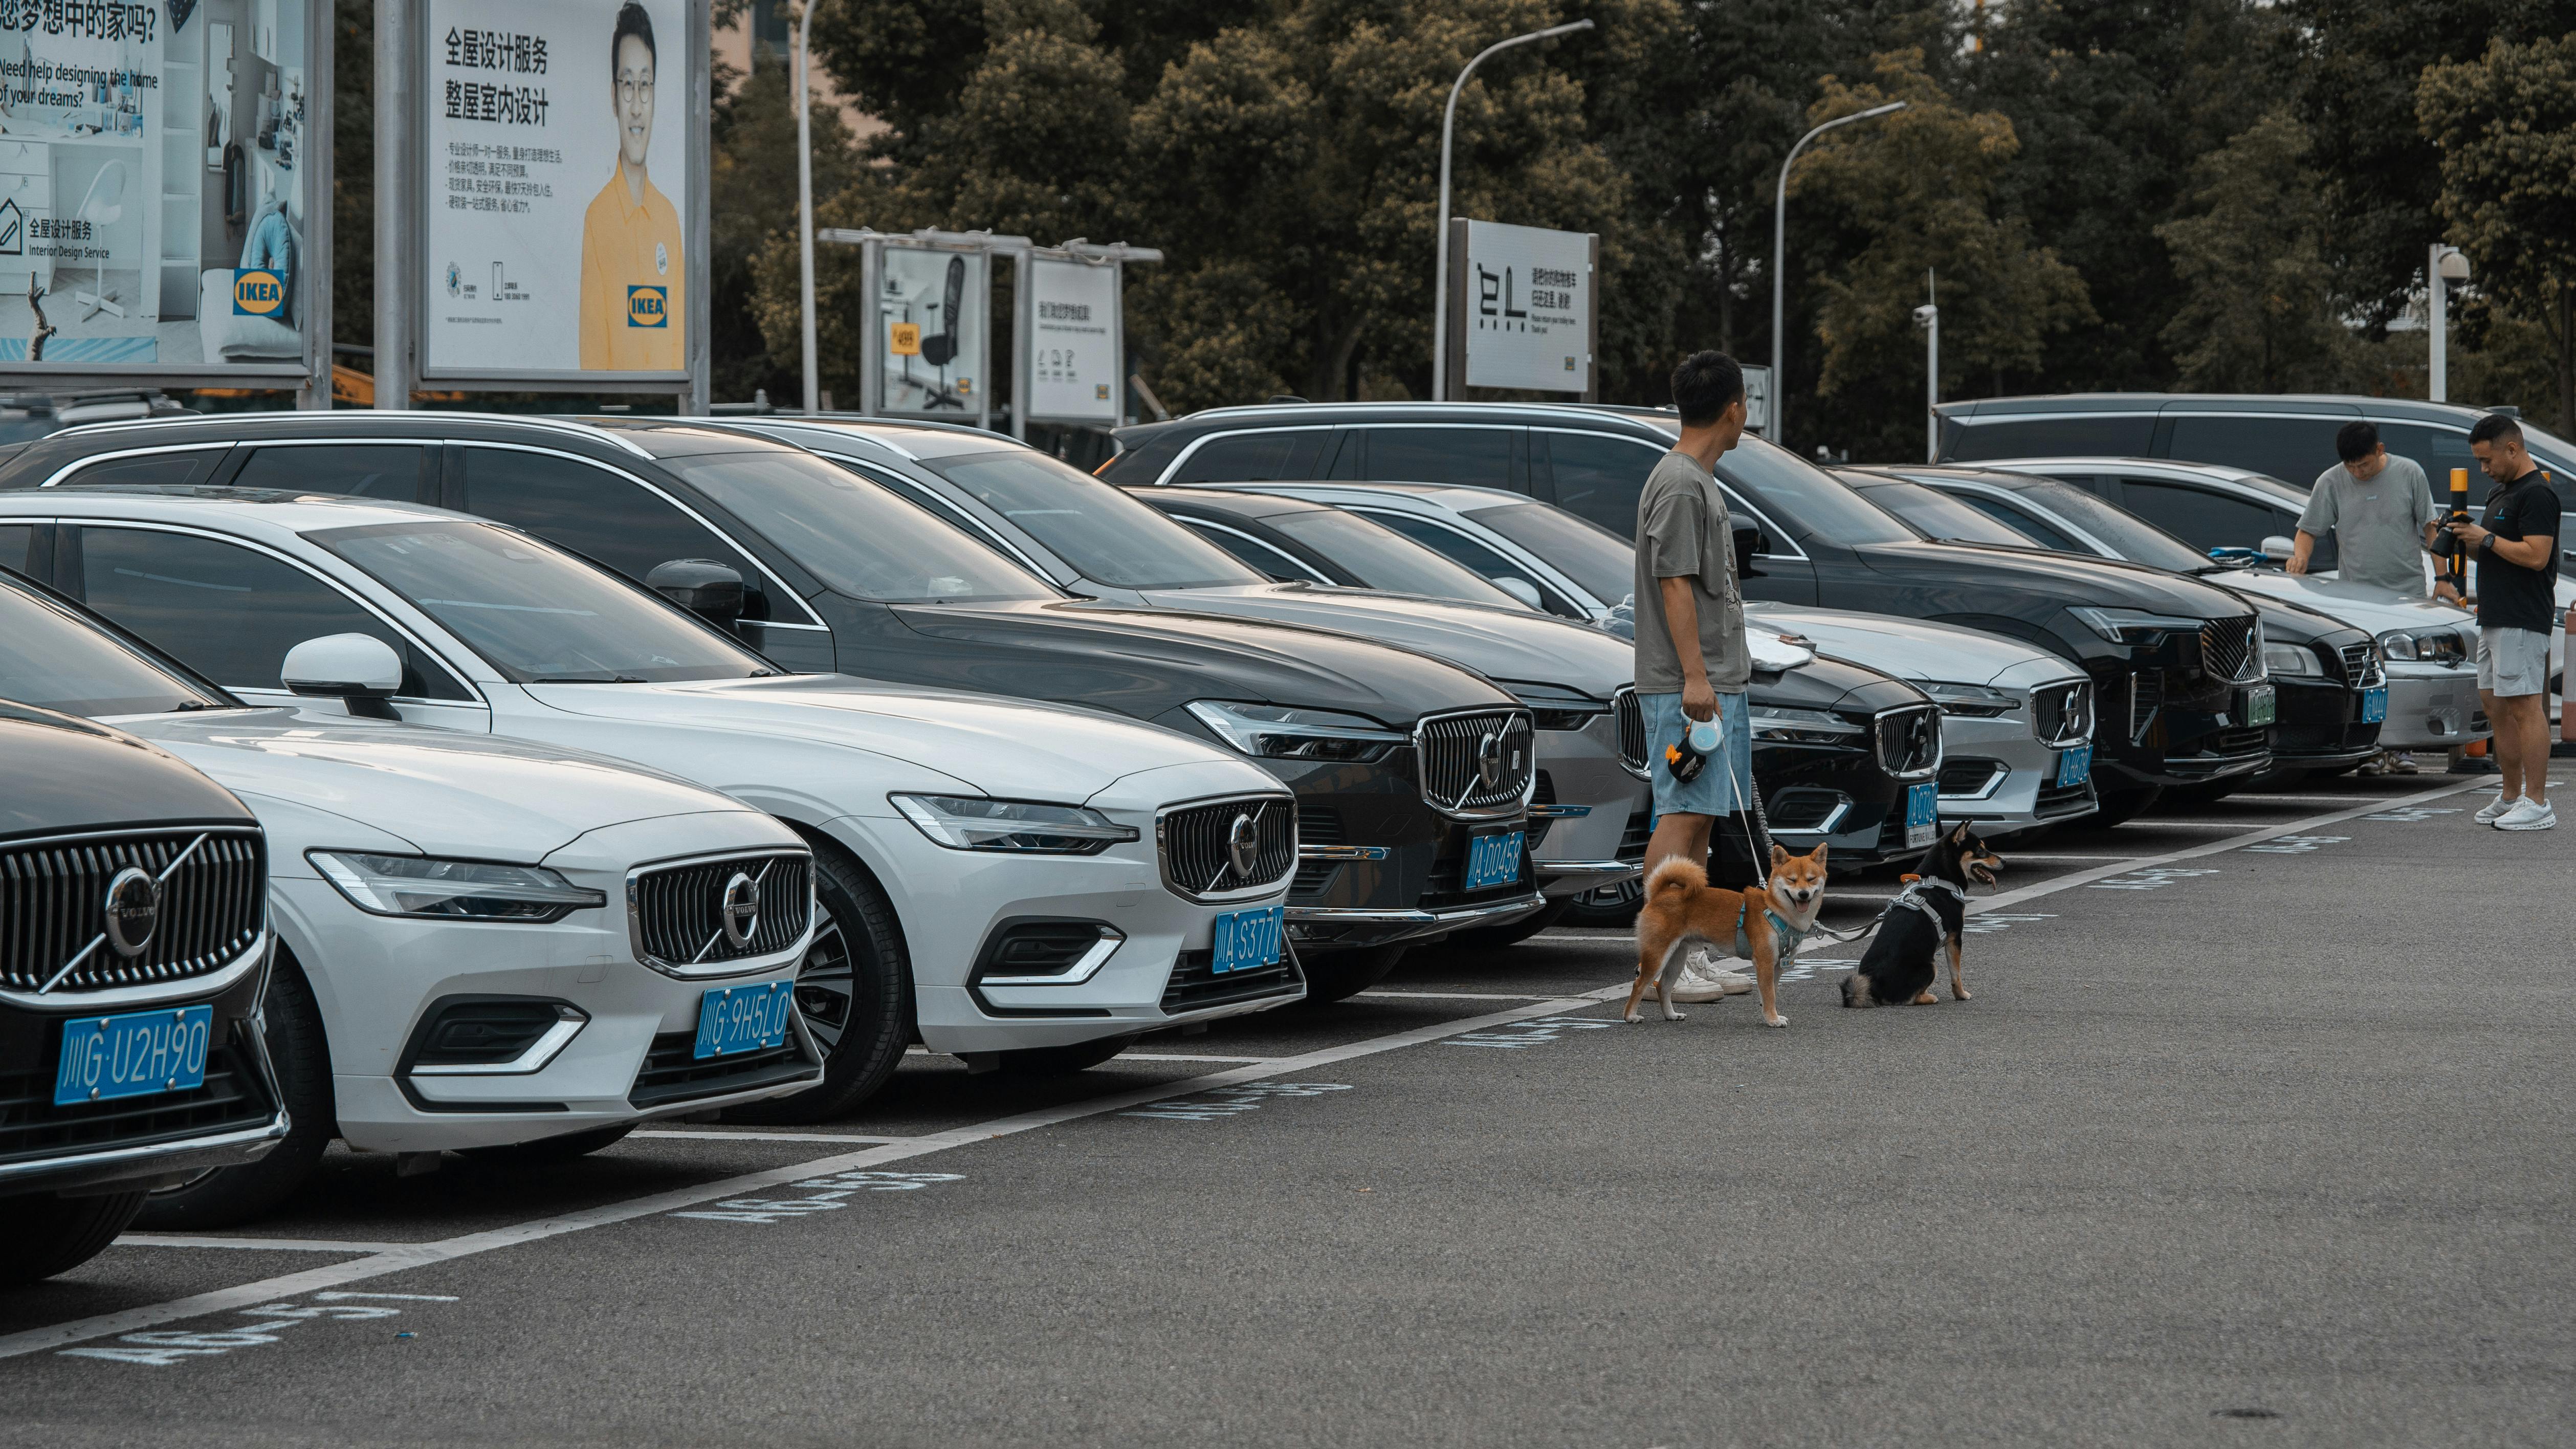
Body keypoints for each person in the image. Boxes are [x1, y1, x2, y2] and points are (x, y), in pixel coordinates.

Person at [1634, 350, 1760, 890]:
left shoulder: (1696, 478)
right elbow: (1674, 583)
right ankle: (1661, 958)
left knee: (1702, 816)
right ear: (1733, 410)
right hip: (1688, 686)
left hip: (1713, 681)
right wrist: (1694, 677)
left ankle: (1688, 951)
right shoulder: (1682, 483)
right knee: (1682, 812)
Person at [2292, 421, 2443, 773]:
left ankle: (2400, 748)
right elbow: (2307, 529)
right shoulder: (2330, 481)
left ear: (2379, 450)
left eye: (2363, 464)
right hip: (2356, 596)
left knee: (2402, 671)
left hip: (2405, 592)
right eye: (2351, 467)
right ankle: (2370, 750)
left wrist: (2443, 577)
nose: (2357, 472)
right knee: (2366, 674)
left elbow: (2430, 528)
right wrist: (2300, 556)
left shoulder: (2409, 473)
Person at [2451, 413, 2560, 830]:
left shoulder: (2537, 494)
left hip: (2521, 615)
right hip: (2494, 615)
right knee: (2495, 705)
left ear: (2511, 449)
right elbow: (2496, 550)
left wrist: (2487, 539)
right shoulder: (2502, 490)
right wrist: (2465, 538)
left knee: (2524, 706)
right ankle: (2511, 794)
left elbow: (2535, 556)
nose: (2483, 469)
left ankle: (2538, 802)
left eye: (2486, 460)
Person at [578, 2, 686, 371]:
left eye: (645, 86)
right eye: (627, 86)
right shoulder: (597, 218)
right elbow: (592, 357)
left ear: (655, 95)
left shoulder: (669, 219)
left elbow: (680, 347)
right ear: (613, 97)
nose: (637, 106)